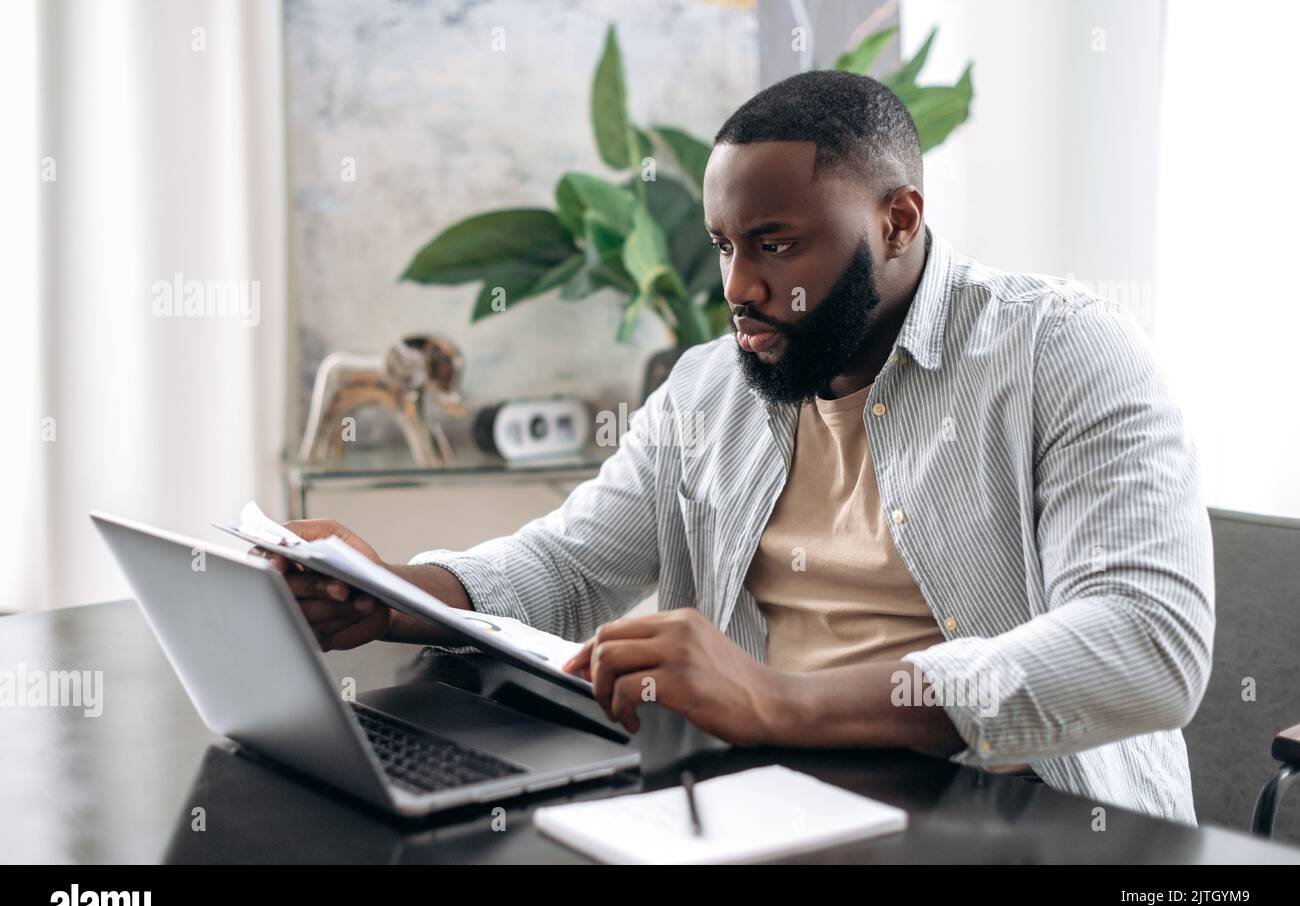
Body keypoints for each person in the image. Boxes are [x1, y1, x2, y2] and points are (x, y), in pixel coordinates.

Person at [262, 71, 1213, 825]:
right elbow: (564, 567)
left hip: (1027, 821)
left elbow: (1148, 641)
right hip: (759, 806)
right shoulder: (709, 388)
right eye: (723, 246)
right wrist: (385, 593)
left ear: (897, 221)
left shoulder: (1065, 352)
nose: (739, 286)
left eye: (774, 244)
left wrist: (779, 702)